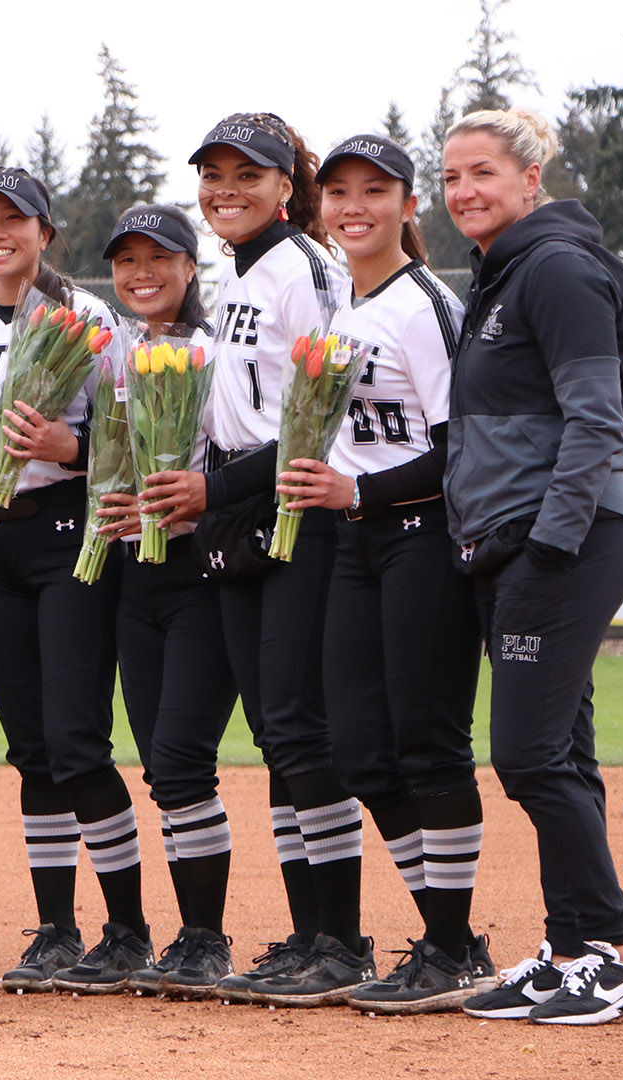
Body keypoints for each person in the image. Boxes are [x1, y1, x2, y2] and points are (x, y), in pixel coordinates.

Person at [436, 109, 623, 1026]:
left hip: (560, 540)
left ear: (531, 177)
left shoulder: (559, 269)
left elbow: (599, 420)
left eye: (484, 172)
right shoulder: (500, 277)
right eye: (453, 177)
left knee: (527, 755)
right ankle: (572, 948)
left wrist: (547, 546)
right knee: (561, 750)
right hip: (515, 540)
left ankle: (615, 950)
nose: (465, 193)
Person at [140, 113, 370, 1007]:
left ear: (288, 186)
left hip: (294, 513)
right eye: (213, 173)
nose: (225, 188)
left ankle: (343, 940)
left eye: (249, 173)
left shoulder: (306, 267)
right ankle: (311, 932)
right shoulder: (240, 275)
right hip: (237, 515)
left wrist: (219, 490)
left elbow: (327, 412)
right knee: (278, 734)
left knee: (299, 728)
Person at [273, 134, 493, 1014]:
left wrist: (356, 488)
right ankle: (451, 940)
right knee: (360, 748)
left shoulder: (424, 304)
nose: (353, 205)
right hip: (358, 541)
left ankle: (448, 946)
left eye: (376, 190)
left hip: (424, 537)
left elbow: (459, 449)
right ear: (319, 208)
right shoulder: (339, 311)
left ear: (411, 206)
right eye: (338, 192)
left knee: (427, 740)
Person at [0, 169, 149, 995]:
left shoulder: (86, 316)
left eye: (15, 219)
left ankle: (129, 930)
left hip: (69, 532)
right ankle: (57, 930)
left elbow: (138, 433)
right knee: (32, 749)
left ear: (45, 230)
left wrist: (71, 452)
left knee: (75, 742)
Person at [95, 204, 242, 999]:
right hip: (134, 577)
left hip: (199, 576)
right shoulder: (115, 350)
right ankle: (189, 937)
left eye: (159, 257)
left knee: (184, 759)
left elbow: (240, 457)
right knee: (160, 764)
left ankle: (206, 939)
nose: (141, 272)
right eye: (126, 260)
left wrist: (196, 505)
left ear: (192, 267)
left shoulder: (215, 355)